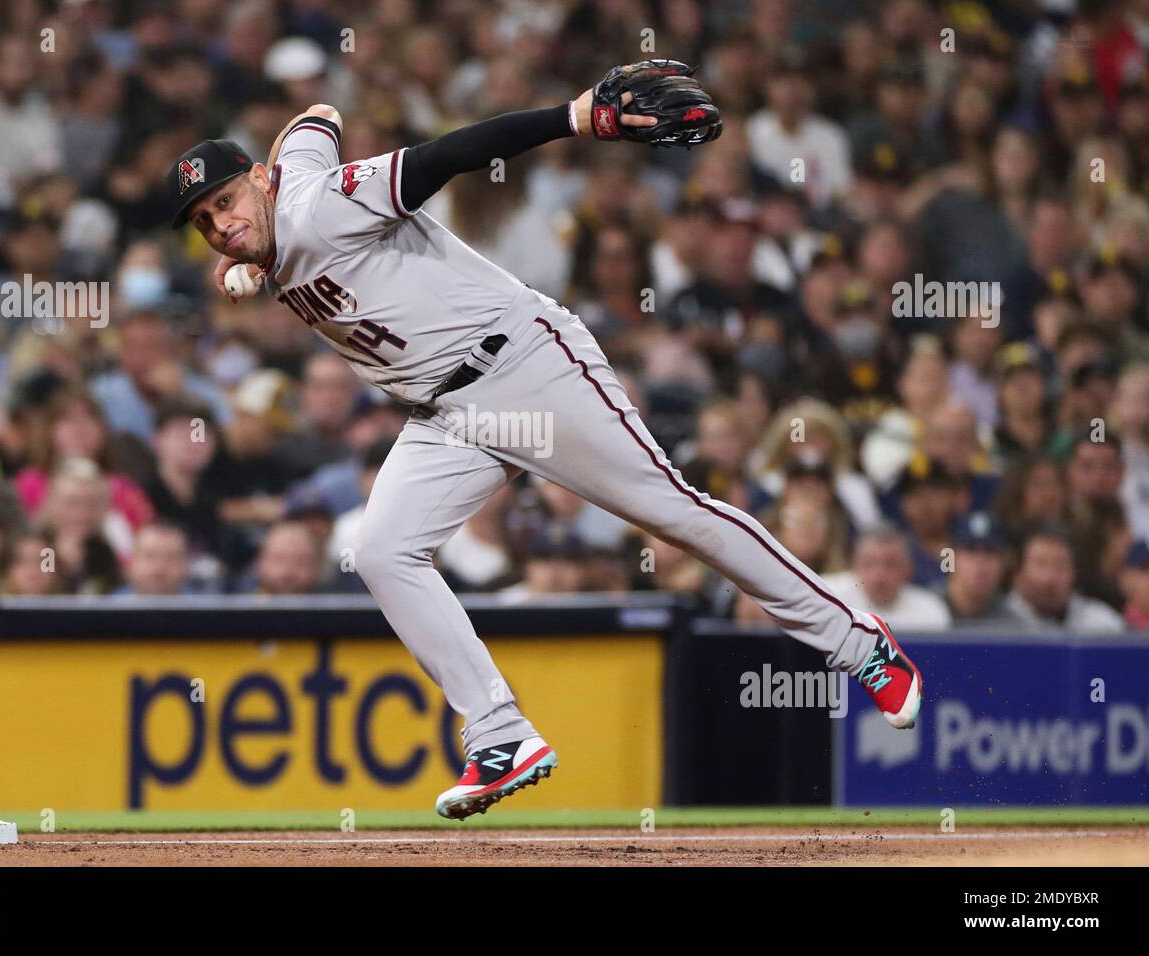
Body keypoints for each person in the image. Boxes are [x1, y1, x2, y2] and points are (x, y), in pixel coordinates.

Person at [168, 68, 922, 820]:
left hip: (525, 363)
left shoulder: (319, 205)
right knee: (381, 550)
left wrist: (571, 118)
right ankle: (501, 732)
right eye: (205, 220)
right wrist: (252, 244)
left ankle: (861, 643)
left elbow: (450, 154)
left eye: (226, 201)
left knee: (674, 512)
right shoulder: (286, 185)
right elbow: (318, 115)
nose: (220, 225)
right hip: (448, 412)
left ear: (260, 182)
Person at [822, 525, 953, 632]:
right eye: (869, 563)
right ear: (854, 565)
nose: (878, 575)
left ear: (908, 569)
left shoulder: (930, 611)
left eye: (890, 564)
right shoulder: (828, 596)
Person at [1004, 524, 1124, 634]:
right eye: (1040, 564)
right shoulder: (996, 621)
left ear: (1075, 573)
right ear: (1017, 572)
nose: (1049, 578)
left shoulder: (1101, 624)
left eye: (1060, 566)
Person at [944, 512, 1020, 627]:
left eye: (990, 552)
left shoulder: (1014, 624)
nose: (981, 561)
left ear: (1004, 563)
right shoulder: (926, 610)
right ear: (950, 560)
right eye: (971, 550)